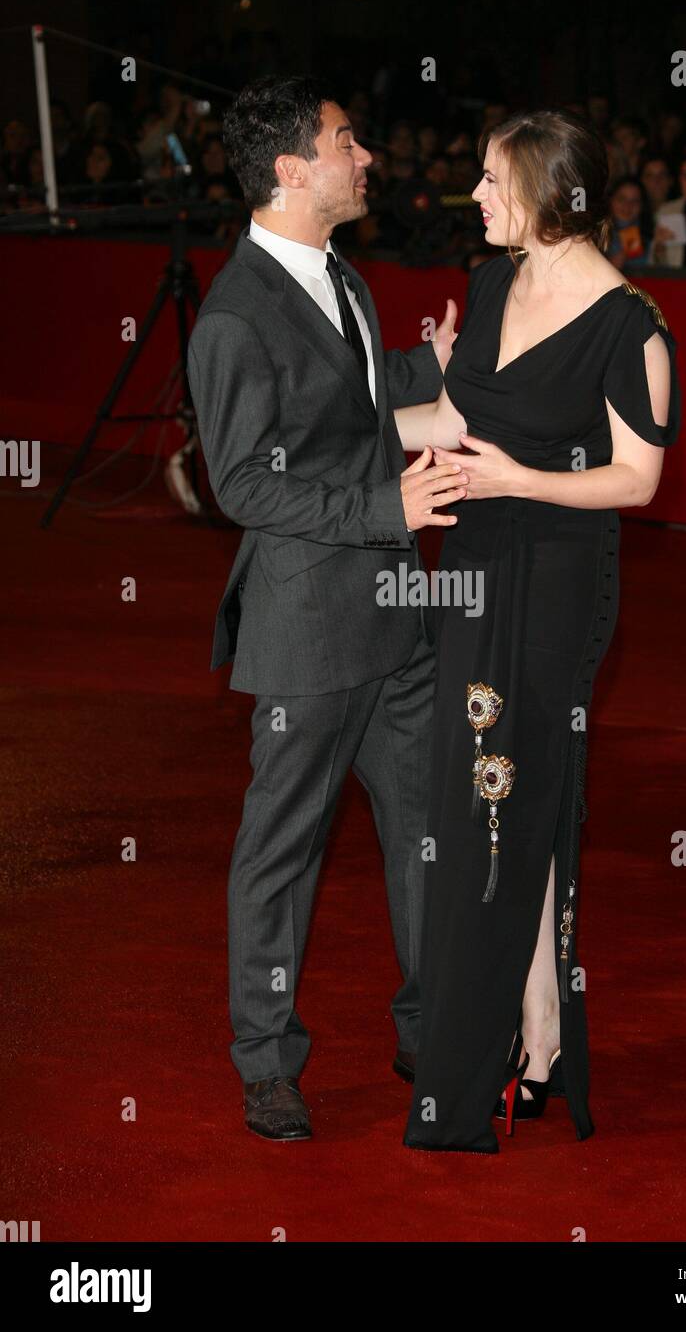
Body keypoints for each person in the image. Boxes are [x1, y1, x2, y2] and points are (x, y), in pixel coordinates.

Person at [394, 109, 681, 1153]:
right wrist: (337, 432)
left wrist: (518, 478)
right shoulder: (487, 286)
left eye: (488, 179)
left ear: (545, 195)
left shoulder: (628, 326)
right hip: (468, 573)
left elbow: (638, 478)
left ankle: (475, 1072)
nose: (471, 194)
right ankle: (542, 1031)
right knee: (498, 799)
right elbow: (452, 422)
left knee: (499, 801)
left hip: (556, 589)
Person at [187, 75, 463, 1143]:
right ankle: (265, 1061)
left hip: (395, 610)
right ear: (293, 168)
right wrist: (384, 499)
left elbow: (343, 403)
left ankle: (430, 1022)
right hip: (306, 627)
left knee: (428, 831)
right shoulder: (232, 315)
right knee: (281, 851)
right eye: (347, 140)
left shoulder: (338, 277)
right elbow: (242, 483)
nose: (366, 156)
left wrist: (418, 368)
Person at [606, 175, 653, 270]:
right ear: (611, 200)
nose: (627, 206)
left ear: (642, 205)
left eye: (634, 201)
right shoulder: (597, 234)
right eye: (621, 199)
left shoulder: (652, 232)